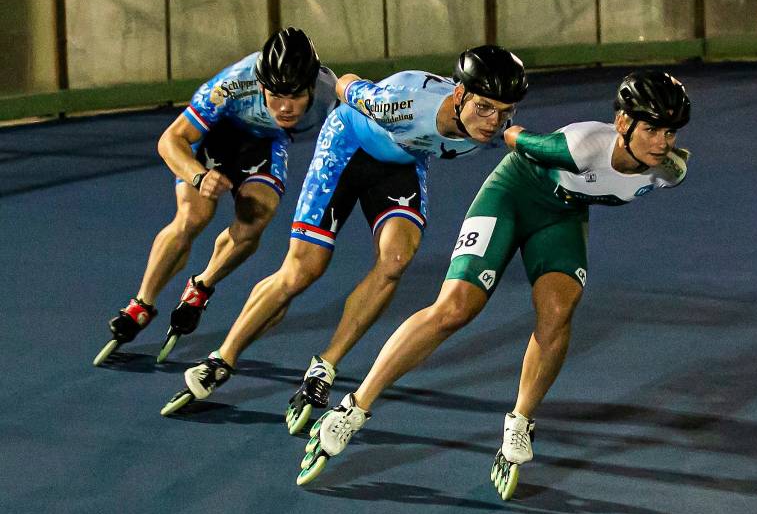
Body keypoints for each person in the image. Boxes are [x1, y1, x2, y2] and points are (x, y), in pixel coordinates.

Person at [296, 71, 692, 500]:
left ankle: (520, 423)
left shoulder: (669, 171)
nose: (661, 143)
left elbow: (664, 164)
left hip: (561, 214)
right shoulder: (579, 148)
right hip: (513, 191)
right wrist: (495, 122)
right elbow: (515, 137)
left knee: (558, 313)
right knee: (455, 308)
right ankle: (353, 409)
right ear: (621, 124)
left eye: (669, 132)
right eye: (651, 129)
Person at [159, 45, 529, 419]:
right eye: (484, 108)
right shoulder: (402, 103)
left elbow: (524, 141)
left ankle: (326, 365)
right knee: (304, 269)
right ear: (459, 94)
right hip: (346, 146)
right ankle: (223, 357)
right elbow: (346, 86)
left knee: (396, 260)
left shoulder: (494, 125)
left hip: (399, 163)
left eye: (503, 113)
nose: (492, 122)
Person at [93, 28, 338, 366]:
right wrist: (198, 175)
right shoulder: (231, 85)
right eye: (275, 96)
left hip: (265, 144)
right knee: (193, 217)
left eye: (295, 96)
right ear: (261, 85)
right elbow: (170, 140)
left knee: (256, 218)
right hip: (216, 134)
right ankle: (142, 303)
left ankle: (201, 286)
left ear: (312, 86)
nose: (285, 108)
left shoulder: (330, 95)